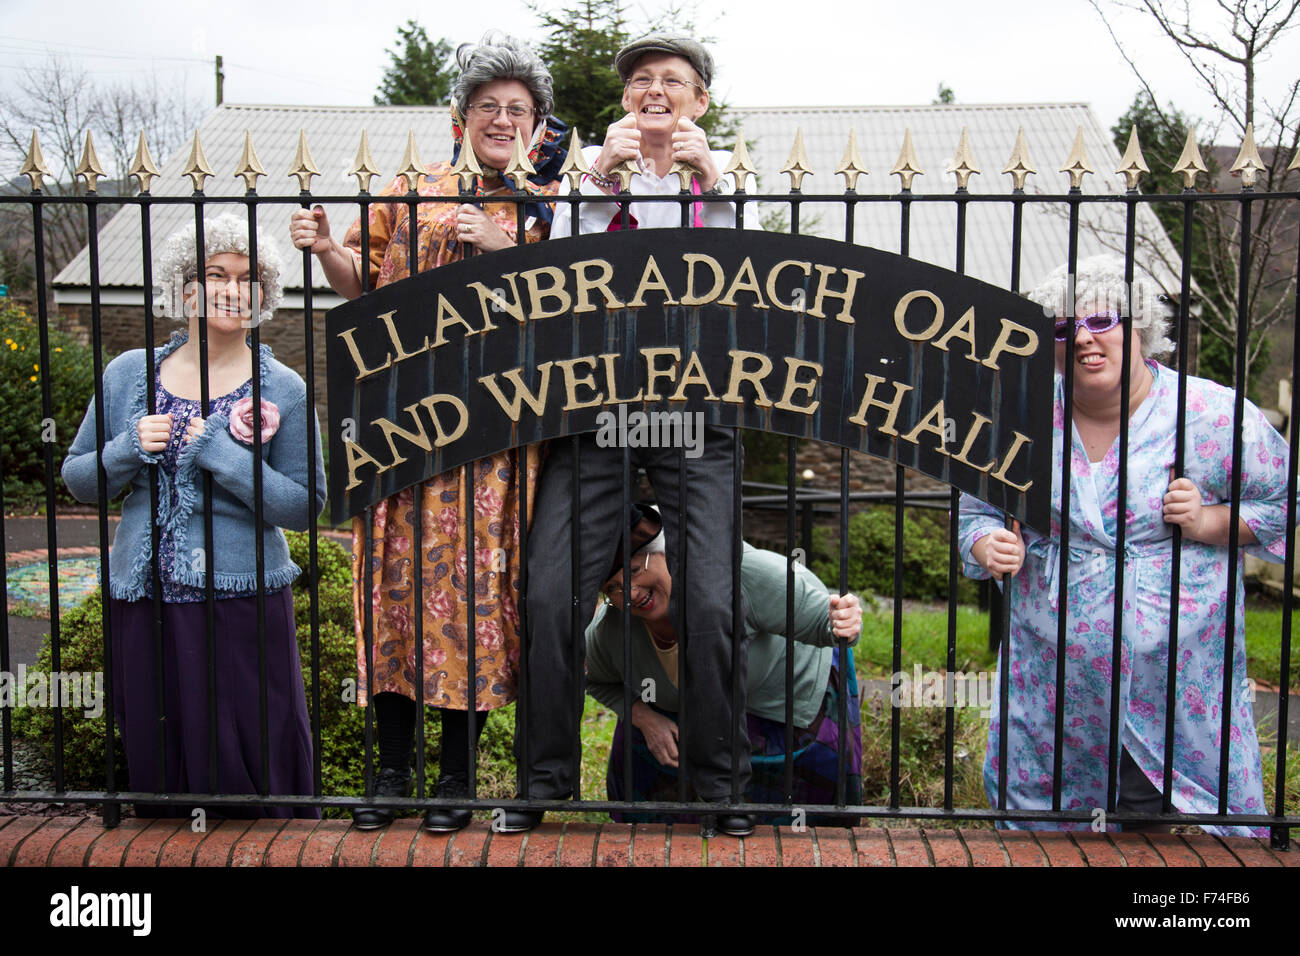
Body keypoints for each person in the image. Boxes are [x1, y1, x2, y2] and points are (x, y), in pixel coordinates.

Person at [289, 31, 562, 832]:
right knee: (394, 594)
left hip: (492, 440)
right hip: (401, 426)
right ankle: (391, 771)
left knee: (477, 601)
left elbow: (568, 322)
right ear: (461, 115)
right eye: (489, 106)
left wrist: (507, 247)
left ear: (538, 126)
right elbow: (362, 288)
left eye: (519, 109)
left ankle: (454, 780)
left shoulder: (549, 207)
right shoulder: (409, 189)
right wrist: (331, 250)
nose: (503, 119)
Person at [959, 255, 1293, 837]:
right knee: (1047, 827)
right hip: (1055, 677)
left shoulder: (1211, 416)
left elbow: (1286, 503)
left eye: (1104, 321)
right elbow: (977, 511)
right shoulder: (1020, 415)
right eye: (1065, 328)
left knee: (1149, 835)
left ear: (1139, 329)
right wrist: (988, 545)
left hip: (1173, 680)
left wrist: (1212, 522)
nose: (1085, 340)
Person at [519, 34, 753, 835]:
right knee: (550, 592)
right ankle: (544, 783)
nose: (656, 91)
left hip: (697, 411)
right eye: (642, 81)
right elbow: (546, 285)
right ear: (625, 101)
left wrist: (714, 181)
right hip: (599, 412)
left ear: (700, 101)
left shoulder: (732, 183)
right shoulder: (591, 180)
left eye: (674, 81)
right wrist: (591, 179)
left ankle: (721, 788)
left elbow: (761, 288)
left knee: (712, 599)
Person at [63, 213, 325, 819]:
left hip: (241, 599)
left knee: (251, 747)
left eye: (247, 278)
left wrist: (224, 456)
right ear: (185, 288)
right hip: (144, 595)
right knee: (161, 755)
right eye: (215, 274)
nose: (232, 289)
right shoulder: (128, 373)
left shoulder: (283, 387)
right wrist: (127, 445)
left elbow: (304, 505)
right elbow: (79, 480)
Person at [586, 505, 864, 825]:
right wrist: (644, 718)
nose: (630, 593)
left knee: (798, 810)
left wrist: (843, 620)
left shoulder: (744, 574)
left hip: (782, 698)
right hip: (684, 706)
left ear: (670, 552)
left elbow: (824, 623)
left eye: (634, 571)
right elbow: (593, 677)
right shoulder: (611, 630)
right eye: (612, 589)